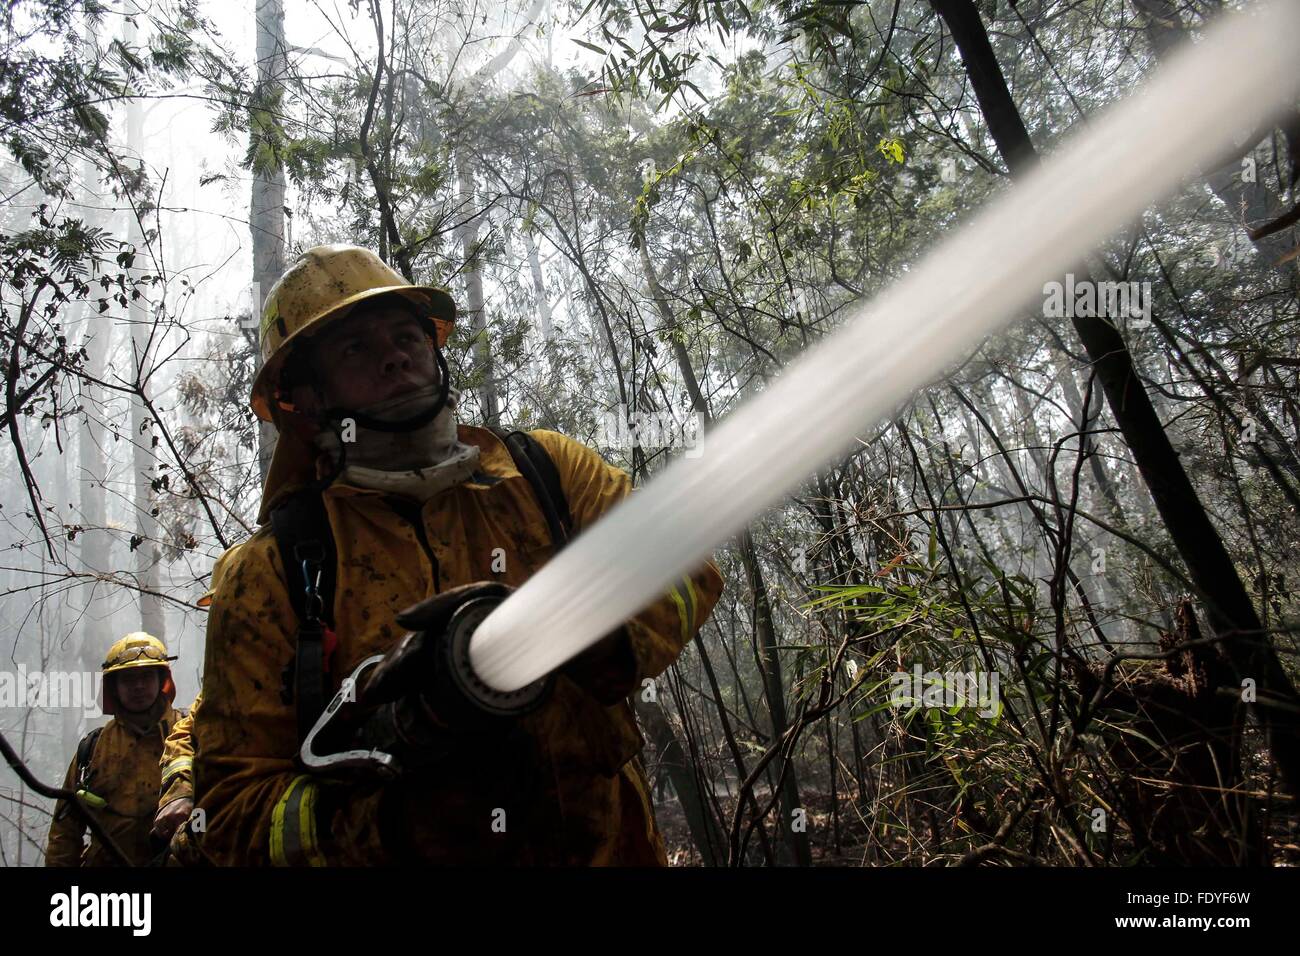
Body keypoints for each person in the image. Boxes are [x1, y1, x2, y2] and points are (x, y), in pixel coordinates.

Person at [188, 245, 724, 865]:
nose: (394, 356)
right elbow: (230, 814)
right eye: (355, 348)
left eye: (405, 336)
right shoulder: (274, 571)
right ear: (302, 399)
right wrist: (389, 827)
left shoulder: (544, 473)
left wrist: (596, 637)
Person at [46, 632, 186, 866]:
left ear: (162, 680)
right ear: (114, 687)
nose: (138, 686)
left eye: (146, 676)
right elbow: (65, 833)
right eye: (128, 679)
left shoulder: (187, 737)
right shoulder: (93, 750)